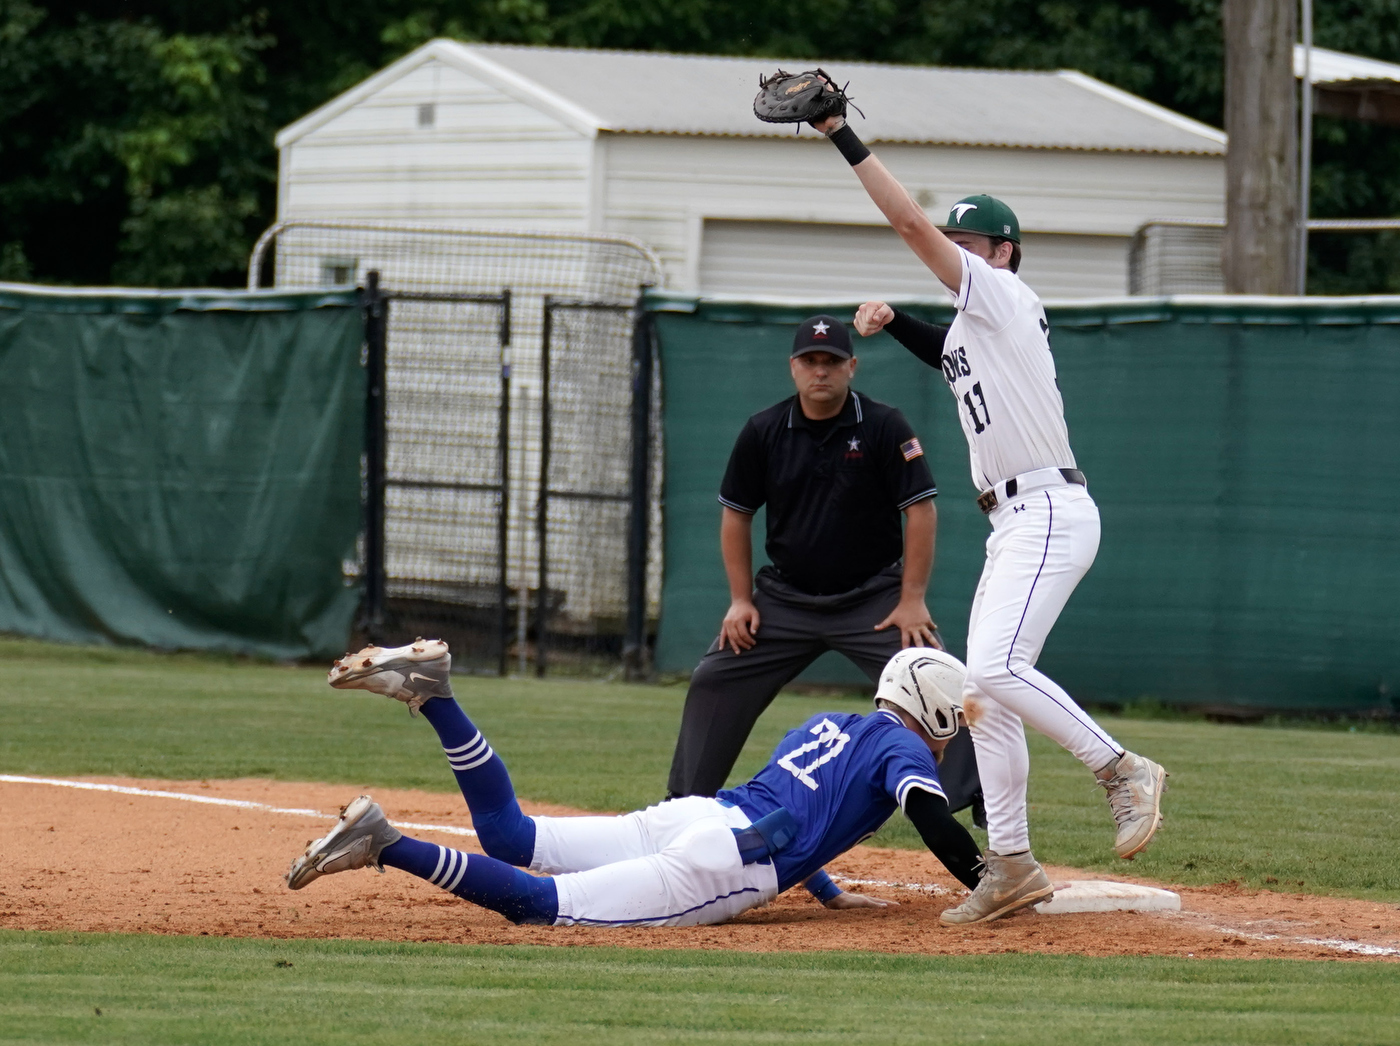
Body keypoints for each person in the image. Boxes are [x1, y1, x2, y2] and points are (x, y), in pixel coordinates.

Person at [805, 100, 1168, 926]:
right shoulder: (979, 326)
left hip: (1047, 508)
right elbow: (949, 350)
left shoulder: (1002, 293)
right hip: (1014, 522)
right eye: (957, 245)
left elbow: (905, 223)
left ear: (1002, 254)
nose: (957, 256)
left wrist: (840, 135)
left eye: (970, 246)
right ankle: (1010, 865)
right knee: (986, 696)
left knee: (998, 668)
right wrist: (899, 326)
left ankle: (1121, 768)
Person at [285, 640, 988, 927]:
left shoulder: (828, 724)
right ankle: (385, 844)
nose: (946, 735)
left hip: (693, 815)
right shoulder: (906, 748)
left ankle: (438, 699)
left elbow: (801, 805)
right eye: (949, 721)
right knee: (542, 907)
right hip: (728, 858)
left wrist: (830, 891)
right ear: (933, 711)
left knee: (512, 837)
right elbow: (927, 814)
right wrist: (985, 876)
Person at [666, 314, 983, 847]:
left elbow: (922, 510)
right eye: (810, 361)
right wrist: (740, 599)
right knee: (713, 678)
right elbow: (736, 514)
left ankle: (980, 815)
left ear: (851, 367)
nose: (821, 371)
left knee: (947, 683)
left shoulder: (884, 425)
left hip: (874, 601)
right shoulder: (763, 430)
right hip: (783, 601)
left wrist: (912, 599)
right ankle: (681, 813)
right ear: (793, 368)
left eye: (832, 361)